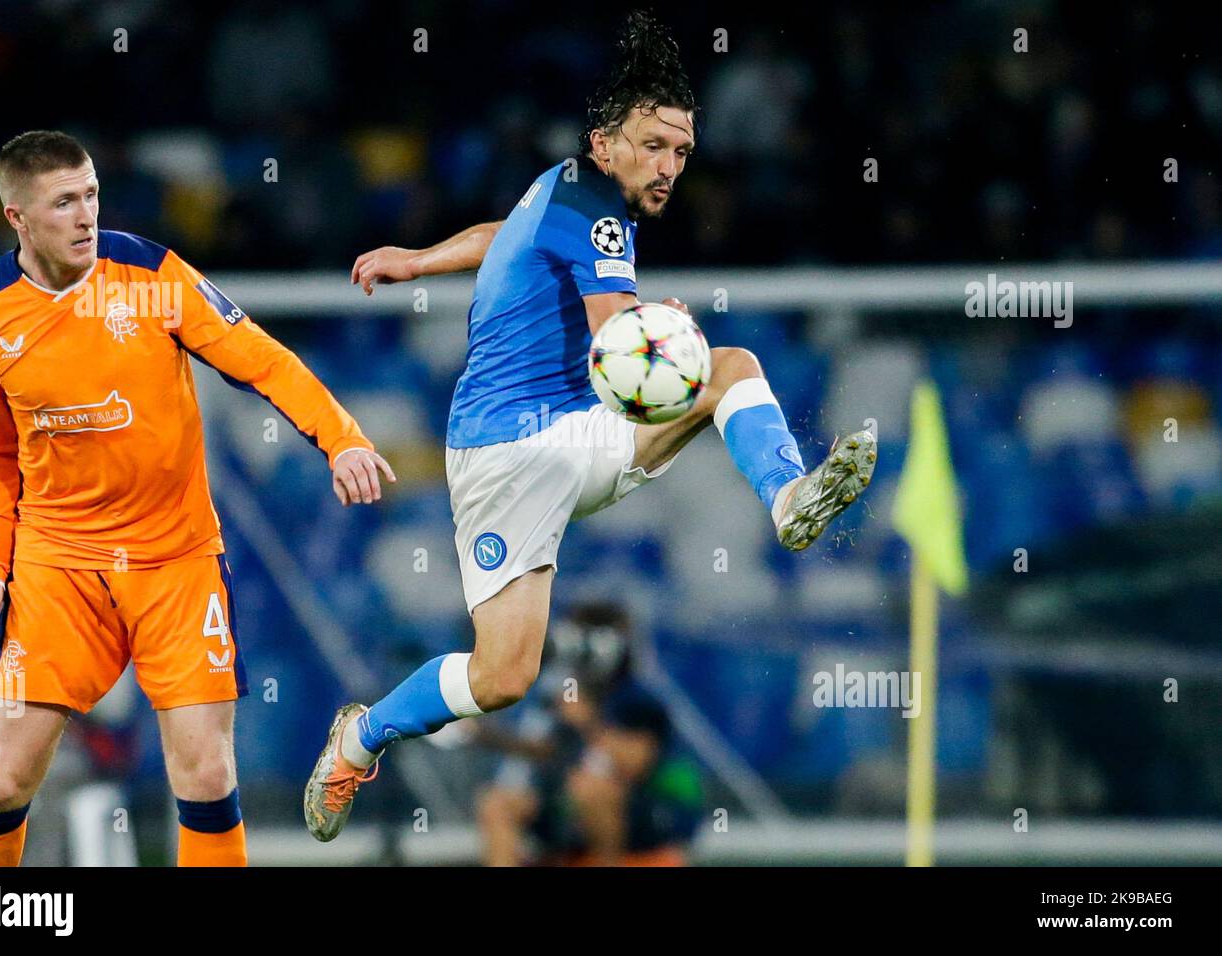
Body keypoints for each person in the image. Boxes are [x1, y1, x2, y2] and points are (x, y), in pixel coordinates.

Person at [304, 11, 874, 842]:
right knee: (502, 676)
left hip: (572, 432)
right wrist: (652, 330)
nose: (670, 166)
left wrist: (420, 259)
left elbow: (509, 238)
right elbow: (616, 332)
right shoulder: (599, 211)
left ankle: (789, 497)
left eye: (681, 150)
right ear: (606, 143)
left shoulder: (563, 187)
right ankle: (359, 737)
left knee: (733, 367)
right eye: (653, 145)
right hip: (501, 455)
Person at [0, 130, 394, 867]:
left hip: (175, 561)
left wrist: (341, 437)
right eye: (64, 202)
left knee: (209, 772)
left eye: (91, 194)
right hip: (58, 567)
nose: (87, 214)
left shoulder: (151, 273)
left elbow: (262, 358)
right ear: (17, 218)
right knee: (0, 782)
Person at [474, 603, 702, 866]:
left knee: (589, 789)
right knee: (498, 803)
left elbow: (635, 763)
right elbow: (548, 749)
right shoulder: (568, 691)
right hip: (573, 805)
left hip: (643, 809)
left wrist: (588, 721)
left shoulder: (635, 697)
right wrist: (482, 734)